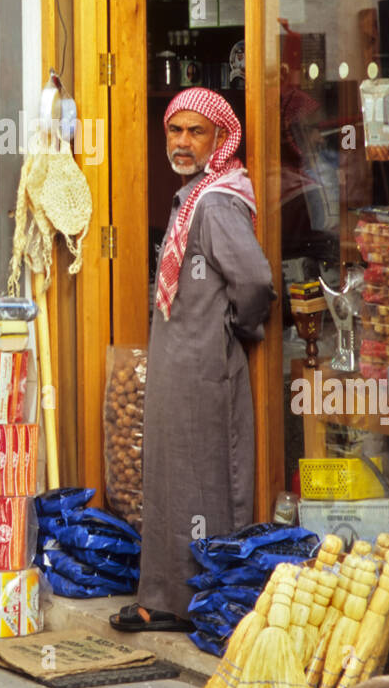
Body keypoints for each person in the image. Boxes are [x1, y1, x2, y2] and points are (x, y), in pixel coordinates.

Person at [111, 88, 275, 631]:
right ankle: (167, 599)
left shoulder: (218, 201)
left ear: (222, 139)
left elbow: (253, 281)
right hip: (179, 370)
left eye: (196, 132)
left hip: (204, 369)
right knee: (172, 479)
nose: (182, 142)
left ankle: (199, 602)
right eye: (175, 131)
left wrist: (241, 328)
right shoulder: (196, 195)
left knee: (203, 483)